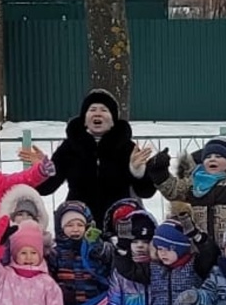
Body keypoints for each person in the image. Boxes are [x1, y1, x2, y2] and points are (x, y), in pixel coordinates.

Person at [38, 89, 159, 217]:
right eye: (92, 109)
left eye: (104, 110)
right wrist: (41, 171)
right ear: (84, 119)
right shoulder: (69, 147)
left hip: (118, 222)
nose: (98, 113)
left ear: (113, 120)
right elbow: (46, 188)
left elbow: (146, 192)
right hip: (79, 224)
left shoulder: (127, 148)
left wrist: (138, 172)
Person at [155, 134, 226, 246]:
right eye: (208, 157)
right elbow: (174, 191)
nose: (212, 159)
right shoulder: (195, 183)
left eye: (219, 156)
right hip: (204, 247)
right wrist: (160, 173)